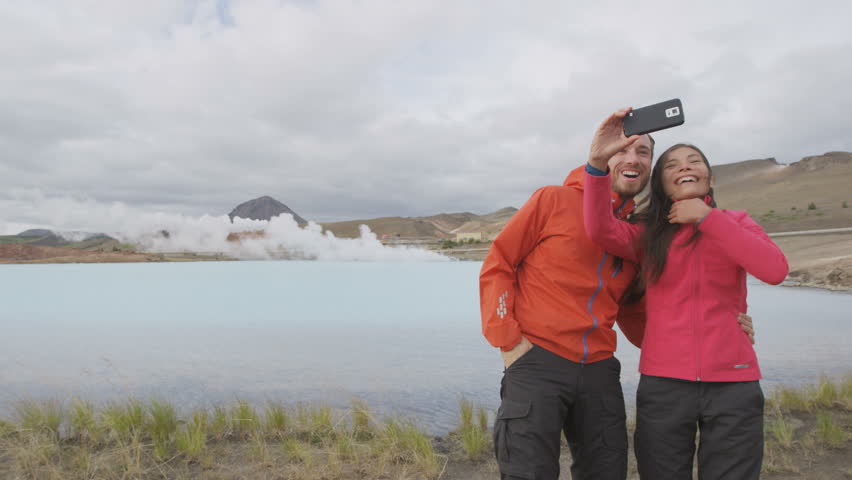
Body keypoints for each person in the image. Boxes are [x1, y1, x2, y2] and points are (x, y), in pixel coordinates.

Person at [479, 132, 756, 480]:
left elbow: (635, 308)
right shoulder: (553, 200)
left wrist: (718, 333)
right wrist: (507, 338)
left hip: (599, 369)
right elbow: (499, 264)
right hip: (537, 361)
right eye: (622, 150)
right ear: (604, 158)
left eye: (643, 152)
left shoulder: (637, 234)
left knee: (608, 471)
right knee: (527, 472)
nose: (632, 159)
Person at [583, 108, 788, 479]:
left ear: (709, 176)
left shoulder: (736, 222)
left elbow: (774, 270)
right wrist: (598, 164)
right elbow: (599, 229)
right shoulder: (647, 234)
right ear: (661, 184)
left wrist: (708, 218)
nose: (685, 167)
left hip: (735, 382)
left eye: (694, 161)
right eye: (672, 165)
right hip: (664, 385)